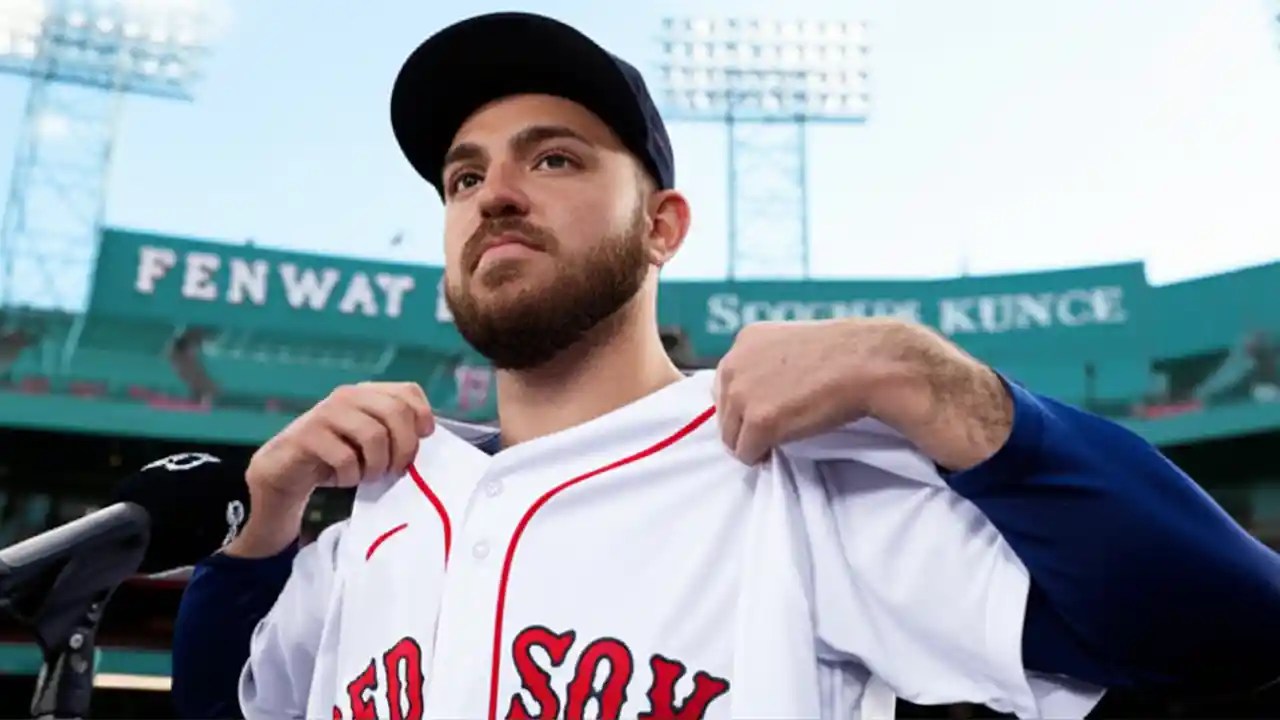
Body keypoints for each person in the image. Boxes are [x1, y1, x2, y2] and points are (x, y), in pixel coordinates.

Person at [171, 12, 1280, 720]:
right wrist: (257, 533)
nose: (494, 193)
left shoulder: (785, 480)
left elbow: (1227, 628)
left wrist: (934, 382)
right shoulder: (377, 517)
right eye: (463, 179)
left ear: (662, 226)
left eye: (553, 159)